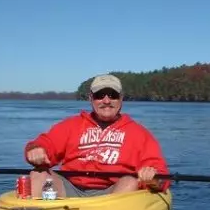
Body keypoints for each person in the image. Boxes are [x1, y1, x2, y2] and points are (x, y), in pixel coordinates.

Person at [25, 74, 170, 198]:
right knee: (39, 173)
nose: (106, 101)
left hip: (113, 192)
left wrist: (153, 177)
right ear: (91, 99)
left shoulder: (139, 133)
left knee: (130, 182)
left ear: (121, 99)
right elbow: (45, 144)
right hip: (70, 188)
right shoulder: (71, 125)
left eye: (112, 95)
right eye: (100, 96)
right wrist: (36, 150)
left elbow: (160, 173)